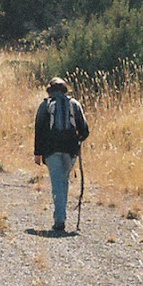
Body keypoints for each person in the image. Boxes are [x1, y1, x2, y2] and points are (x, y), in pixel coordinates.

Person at [33, 77, 89, 233]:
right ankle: (61, 216)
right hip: (70, 150)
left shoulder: (45, 105)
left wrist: (37, 153)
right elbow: (85, 130)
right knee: (63, 181)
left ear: (49, 90)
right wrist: (77, 140)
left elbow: (39, 130)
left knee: (57, 183)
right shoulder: (74, 104)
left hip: (51, 150)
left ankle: (59, 220)